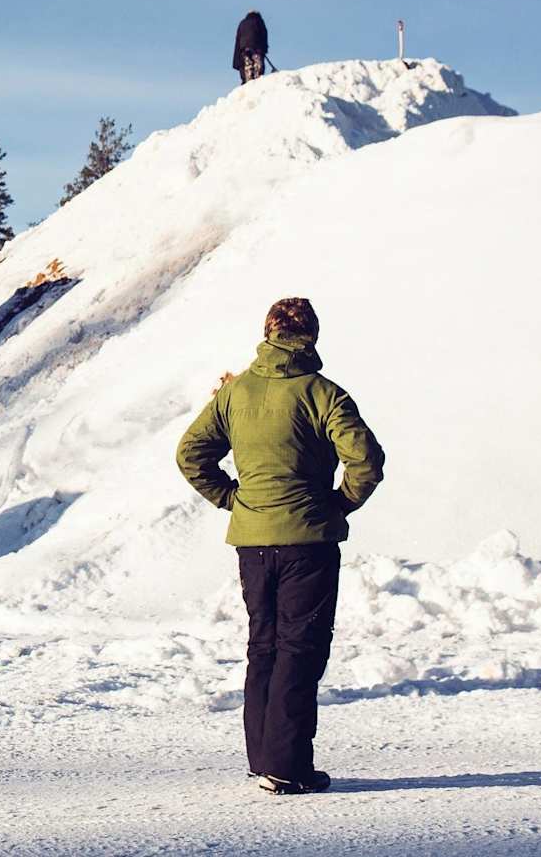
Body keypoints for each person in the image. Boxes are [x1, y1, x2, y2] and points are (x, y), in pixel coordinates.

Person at [175, 297, 384, 795]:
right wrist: (338, 506)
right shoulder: (325, 395)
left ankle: (262, 758)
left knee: (263, 646)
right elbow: (367, 461)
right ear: (311, 336)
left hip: (252, 544)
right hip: (307, 543)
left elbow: (190, 454)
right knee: (299, 650)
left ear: (268, 333)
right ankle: (287, 768)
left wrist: (232, 499)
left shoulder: (235, 394)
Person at [233, 11, 269, 84]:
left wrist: (237, 61)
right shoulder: (259, 21)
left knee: (248, 65)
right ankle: (257, 81)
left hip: (244, 49)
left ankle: (247, 80)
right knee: (258, 67)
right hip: (257, 48)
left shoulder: (242, 23)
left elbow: (237, 40)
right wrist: (264, 50)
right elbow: (264, 35)